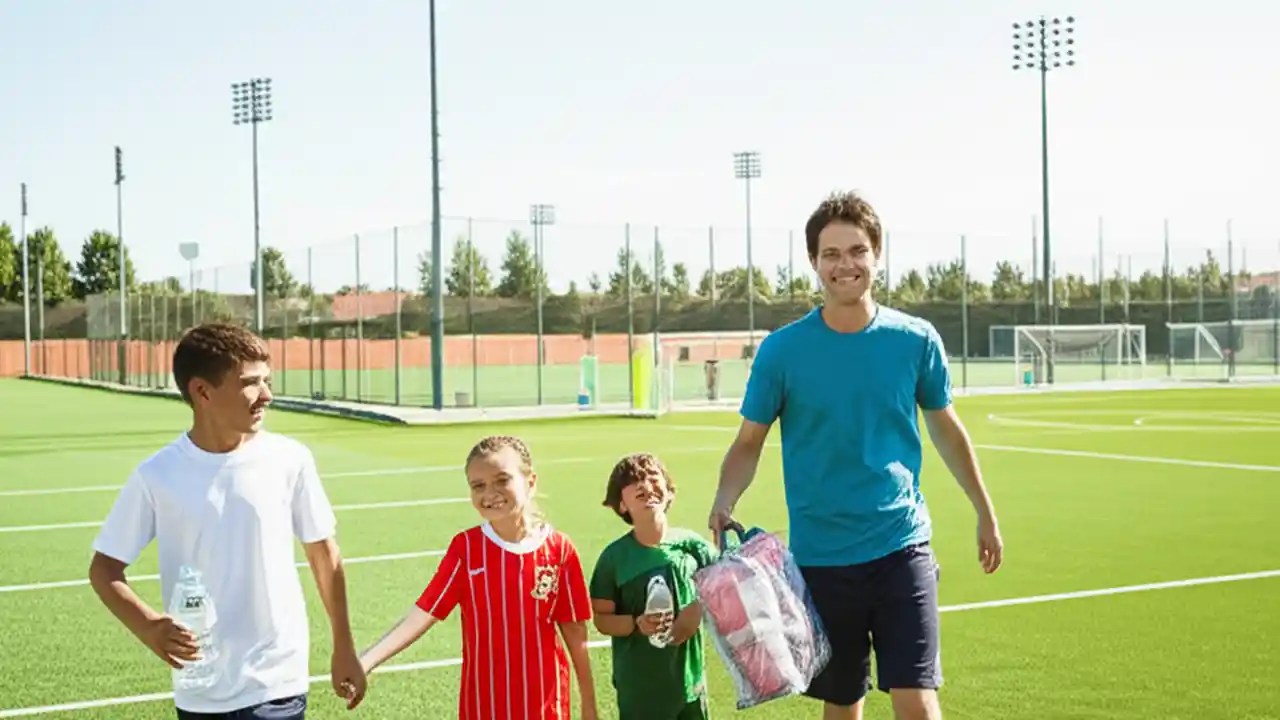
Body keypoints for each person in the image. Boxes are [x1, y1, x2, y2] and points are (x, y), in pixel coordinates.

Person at [708, 191, 1004, 720]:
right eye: (832, 254)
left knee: (916, 697)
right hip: (821, 558)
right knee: (843, 702)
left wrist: (984, 510)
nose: (845, 264)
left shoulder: (915, 340)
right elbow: (748, 442)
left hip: (901, 547)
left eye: (857, 250)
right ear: (814, 263)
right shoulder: (783, 350)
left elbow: (948, 431)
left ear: (877, 256)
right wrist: (724, 499)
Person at [88, 322, 367, 719]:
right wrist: (148, 626)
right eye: (251, 383)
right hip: (200, 686)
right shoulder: (158, 474)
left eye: (267, 380)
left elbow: (325, 555)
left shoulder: (291, 460)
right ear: (202, 392)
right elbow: (104, 568)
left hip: (278, 681)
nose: (267, 395)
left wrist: (344, 646)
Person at [358, 435, 599, 720]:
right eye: (478, 485)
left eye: (502, 480)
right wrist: (366, 661)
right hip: (485, 707)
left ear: (531, 482)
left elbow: (575, 632)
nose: (490, 493)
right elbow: (423, 614)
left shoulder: (559, 549)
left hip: (546, 709)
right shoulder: (467, 549)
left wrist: (589, 706)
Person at [589, 452, 718, 720]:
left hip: (689, 683)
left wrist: (698, 608)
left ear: (670, 492)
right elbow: (601, 619)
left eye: (652, 477)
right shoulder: (614, 558)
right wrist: (637, 623)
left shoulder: (692, 546)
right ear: (621, 505)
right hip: (640, 688)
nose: (645, 485)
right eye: (634, 481)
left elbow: (727, 581)